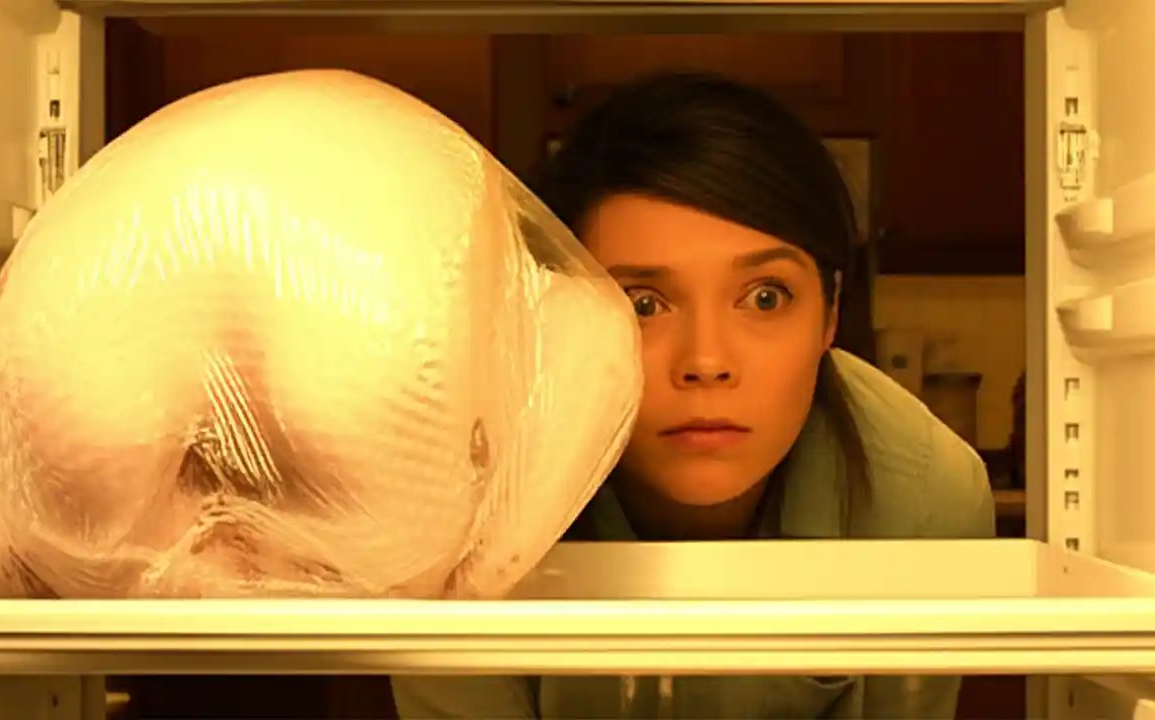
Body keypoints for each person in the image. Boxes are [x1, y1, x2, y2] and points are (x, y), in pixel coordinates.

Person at [391, 71, 996, 719]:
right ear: (561, 321)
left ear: (829, 316)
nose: (706, 362)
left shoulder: (922, 496)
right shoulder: (467, 496)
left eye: (766, 298)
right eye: (642, 303)